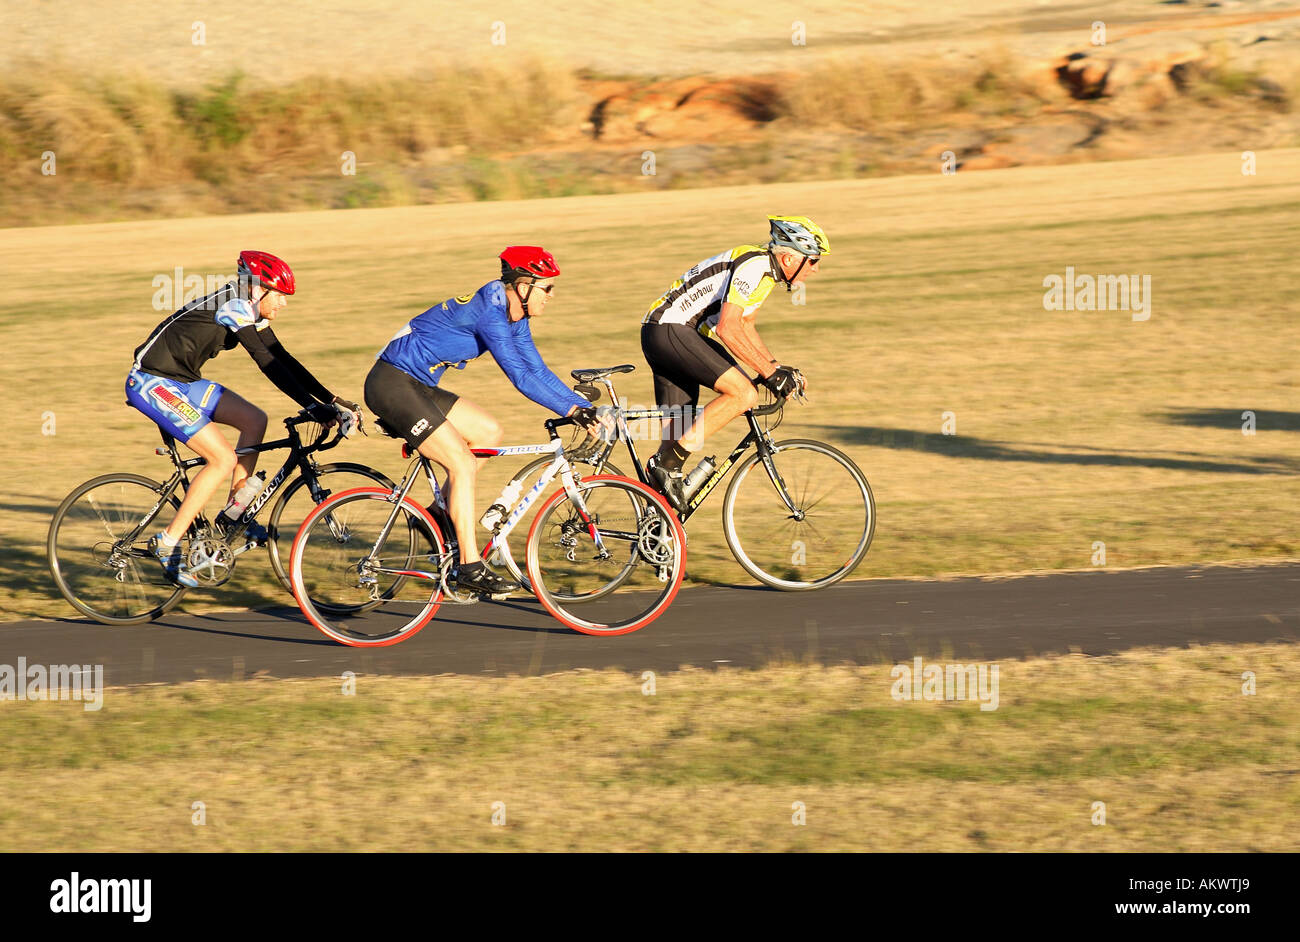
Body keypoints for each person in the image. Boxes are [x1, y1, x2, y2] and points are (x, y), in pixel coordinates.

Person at [364, 246, 601, 598]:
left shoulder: (512, 314)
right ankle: (470, 566)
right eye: (547, 288)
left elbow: (536, 368)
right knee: (460, 463)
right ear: (523, 287)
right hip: (392, 384)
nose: (552, 296)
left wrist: (577, 404)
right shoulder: (491, 313)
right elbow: (519, 375)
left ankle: (436, 518)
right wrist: (571, 411)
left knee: (488, 433)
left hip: (418, 384)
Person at [126, 250, 361, 587]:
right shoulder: (232, 306)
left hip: (182, 382)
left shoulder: (247, 307)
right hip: (152, 383)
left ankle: (234, 513)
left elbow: (284, 359)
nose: (283, 304)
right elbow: (265, 362)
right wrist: (311, 407)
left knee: (254, 419)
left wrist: (332, 400)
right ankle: (167, 542)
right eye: (278, 295)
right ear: (257, 289)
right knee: (221, 459)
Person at [640, 215, 829, 510]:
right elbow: (727, 329)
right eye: (813, 261)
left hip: (668, 334)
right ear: (791, 257)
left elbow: (746, 325)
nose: (816, 270)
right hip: (671, 330)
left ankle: (655, 535)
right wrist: (768, 373)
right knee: (743, 394)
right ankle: (665, 464)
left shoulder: (767, 272)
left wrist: (774, 368)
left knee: (674, 445)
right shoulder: (754, 265)